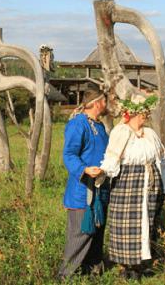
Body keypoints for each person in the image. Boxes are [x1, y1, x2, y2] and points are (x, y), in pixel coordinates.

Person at [98, 95, 165, 279]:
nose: (145, 116)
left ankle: (140, 265)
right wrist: (100, 174)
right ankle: (126, 267)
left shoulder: (151, 134)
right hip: (127, 183)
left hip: (150, 184)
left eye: (146, 113)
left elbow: (163, 161)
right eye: (142, 113)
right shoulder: (121, 131)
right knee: (126, 226)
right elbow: (111, 158)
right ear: (131, 113)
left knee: (146, 223)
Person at [58, 88, 109, 279]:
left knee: (97, 231)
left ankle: (93, 271)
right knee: (81, 233)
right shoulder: (78, 124)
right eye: (104, 101)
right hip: (82, 191)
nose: (106, 104)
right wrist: (84, 169)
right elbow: (69, 154)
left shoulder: (100, 126)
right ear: (96, 103)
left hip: (101, 189)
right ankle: (66, 276)